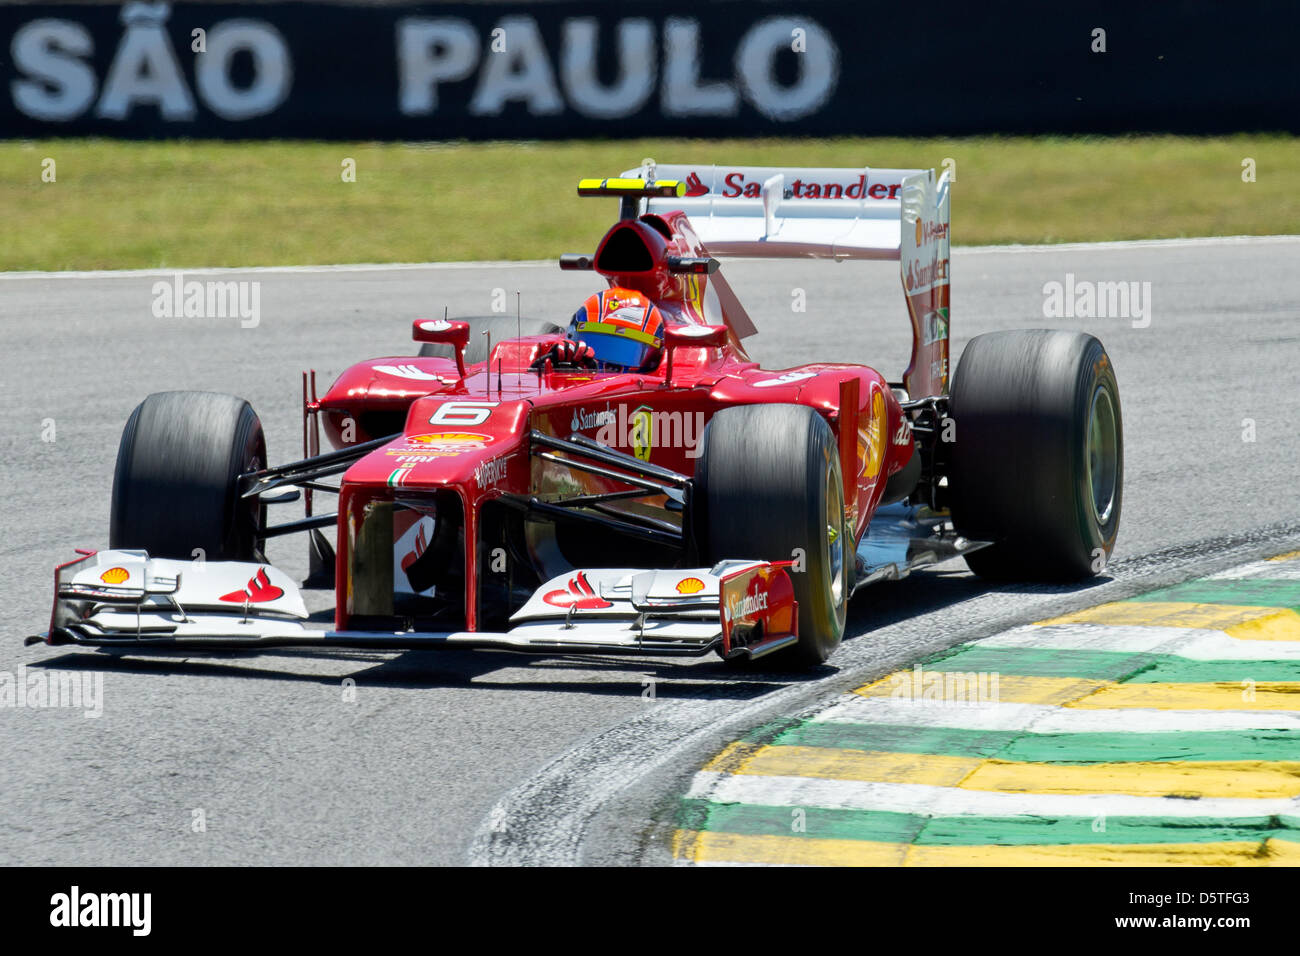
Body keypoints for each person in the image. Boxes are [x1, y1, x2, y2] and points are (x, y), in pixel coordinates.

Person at [537, 287, 667, 372]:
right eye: (597, 345)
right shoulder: (565, 360)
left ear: (654, 356)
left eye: (623, 351)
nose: (605, 367)